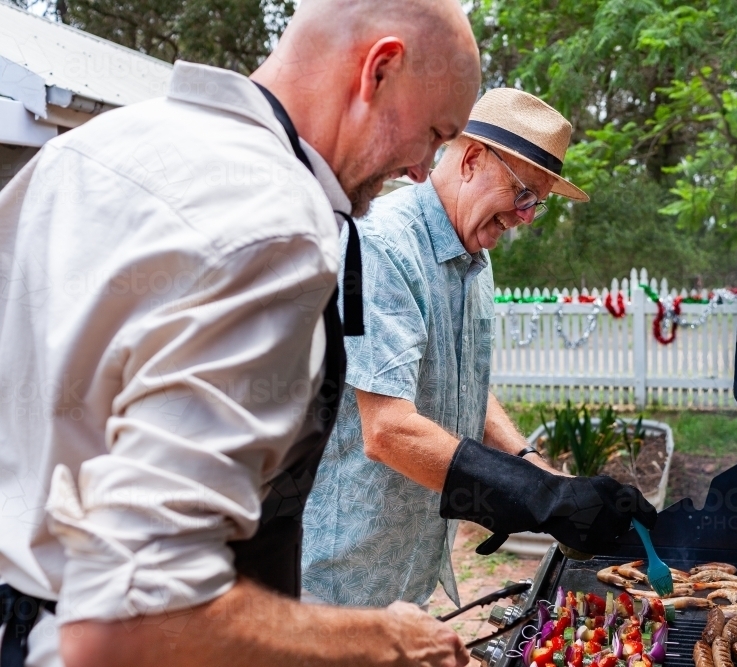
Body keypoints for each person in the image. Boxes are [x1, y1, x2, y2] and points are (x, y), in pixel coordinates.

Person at [0, 1, 480, 666]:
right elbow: (133, 618)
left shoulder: (80, 153)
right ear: (380, 69)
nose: (424, 171)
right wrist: (385, 637)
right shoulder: (276, 227)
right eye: (434, 132)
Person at [301, 88, 657, 608]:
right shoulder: (383, 246)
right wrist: (535, 498)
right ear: (471, 160)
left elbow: (466, 385)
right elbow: (387, 429)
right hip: (339, 579)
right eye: (526, 195)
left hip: (408, 569)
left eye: (539, 203)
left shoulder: (476, 260)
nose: (528, 217)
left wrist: (535, 471)